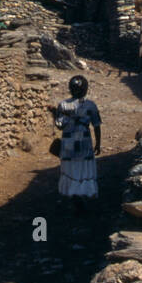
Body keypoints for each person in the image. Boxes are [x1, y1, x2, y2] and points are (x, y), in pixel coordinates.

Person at [55, 74, 101, 209]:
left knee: (71, 167)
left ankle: (74, 194)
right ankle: (83, 193)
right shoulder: (90, 105)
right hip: (84, 142)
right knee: (83, 167)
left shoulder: (63, 105)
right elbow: (96, 125)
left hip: (68, 142)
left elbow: (59, 125)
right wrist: (98, 143)